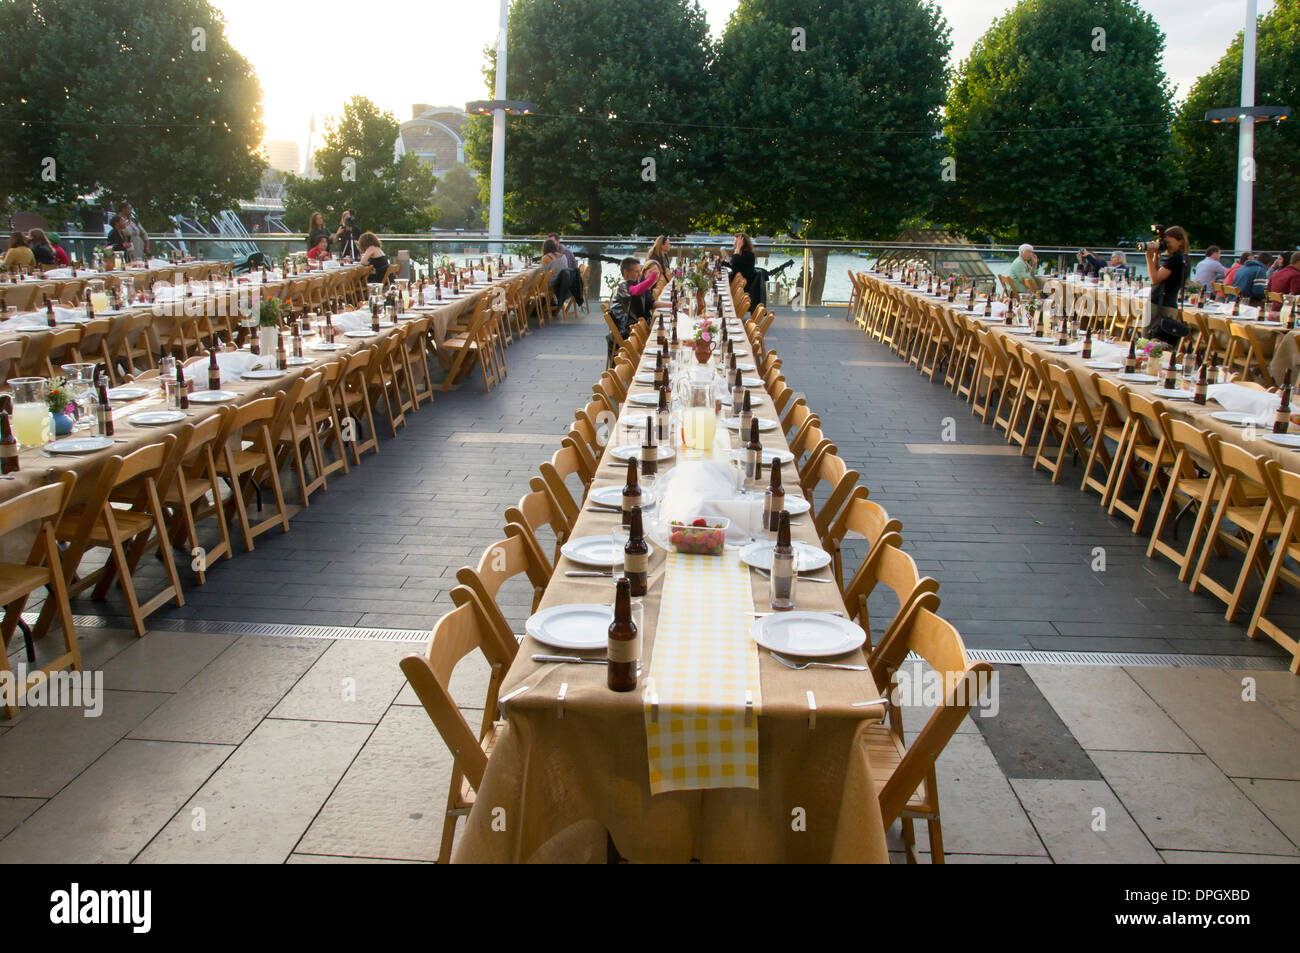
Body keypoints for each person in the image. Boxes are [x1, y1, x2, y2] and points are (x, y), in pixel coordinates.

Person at [1144, 225, 1190, 336]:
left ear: (1180, 241)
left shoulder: (1175, 259)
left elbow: (1155, 279)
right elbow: (1158, 276)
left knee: (1147, 340)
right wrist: (1156, 256)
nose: (1166, 246)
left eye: (1168, 243)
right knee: (1162, 342)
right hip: (1169, 303)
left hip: (1160, 305)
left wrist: (1148, 258)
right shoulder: (1185, 258)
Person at [607, 257, 657, 347]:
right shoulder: (623, 287)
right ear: (626, 273)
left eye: (640, 271)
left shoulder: (626, 285)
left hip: (633, 328)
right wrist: (652, 278)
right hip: (627, 332)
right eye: (636, 272)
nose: (640, 274)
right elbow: (635, 290)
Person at [728, 233, 758, 300]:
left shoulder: (748, 254)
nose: (734, 244)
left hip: (742, 288)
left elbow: (734, 262)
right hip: (738, 285)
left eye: (736, 242)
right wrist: (722, 263)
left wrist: (738, 248)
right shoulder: (741, 254)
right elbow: (734, 265)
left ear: (743, 243)